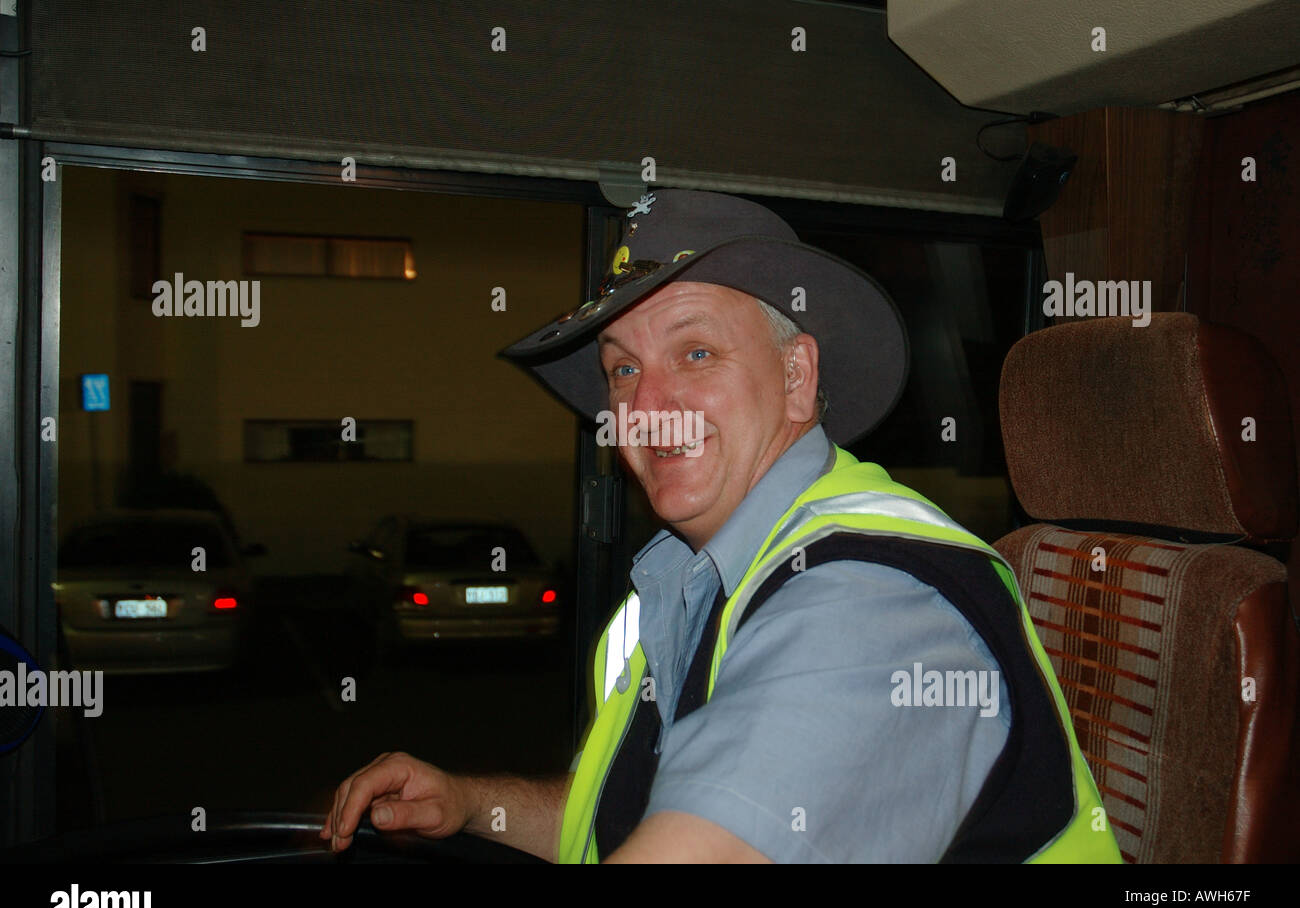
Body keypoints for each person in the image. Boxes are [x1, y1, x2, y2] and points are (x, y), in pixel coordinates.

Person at [320, 189, 1120, 863]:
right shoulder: (684, 582)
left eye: (695, 353)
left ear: (797, 377)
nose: (647, 407)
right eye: (623, 368)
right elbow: (645, 809)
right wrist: (470, 804)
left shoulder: (872, 605)